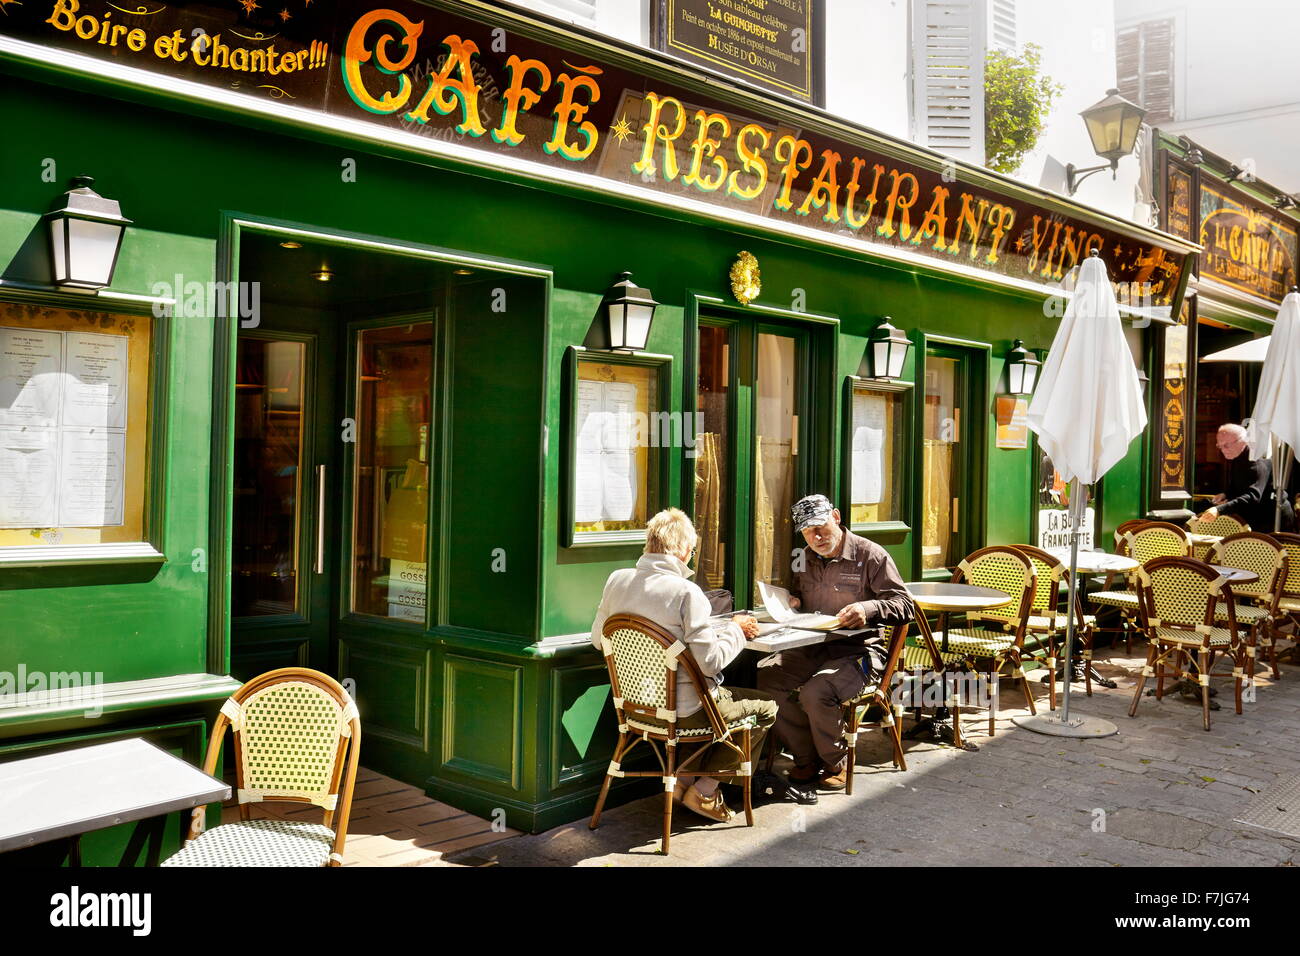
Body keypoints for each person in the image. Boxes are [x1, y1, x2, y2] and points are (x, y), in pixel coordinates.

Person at [590, 508, 779, 823]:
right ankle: (705, 790)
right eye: (691, 552)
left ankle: (682, 781)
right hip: (686, 713)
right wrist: (736, 629)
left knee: (720, 700)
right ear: (684, 551)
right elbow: (711, 663)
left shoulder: (617, 580)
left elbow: (599, 639)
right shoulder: (686, 592)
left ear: (649, 543)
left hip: (635, 708)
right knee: (766, 708)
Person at [757, 494, 914, 791]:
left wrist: (867, 609)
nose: (815, 537)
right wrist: (793, 602)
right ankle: (806, 758)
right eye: (807, 531)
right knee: (767, 681)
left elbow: (905, 606)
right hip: (810, 645)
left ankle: (834, 760)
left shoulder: (872, 555)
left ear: (837, 518)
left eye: (821, 528)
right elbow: (801, 597)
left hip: (858, 652)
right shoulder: (803, 556)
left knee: (818, 691)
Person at [1199, 423, 1294, 532]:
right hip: (1253, 518)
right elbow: (1239, 485)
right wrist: (1226, 494)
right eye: (1219, 446)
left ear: (1242, 441)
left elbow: (1253, 496)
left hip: (1272, 520)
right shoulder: (1237, 454)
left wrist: (1219, 510)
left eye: (1226, 445)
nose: (1223, 450)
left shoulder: (1257, 459)